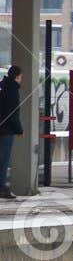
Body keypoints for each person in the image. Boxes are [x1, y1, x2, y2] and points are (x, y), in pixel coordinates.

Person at [0, 64, 24, 199]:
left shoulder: (2, 87)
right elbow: (13, 113)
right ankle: (1, 186)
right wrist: (19, 129)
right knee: (4, 159)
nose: (21, 79)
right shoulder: (13, 90)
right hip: (6, 130)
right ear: (17, 76)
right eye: (21, 77)